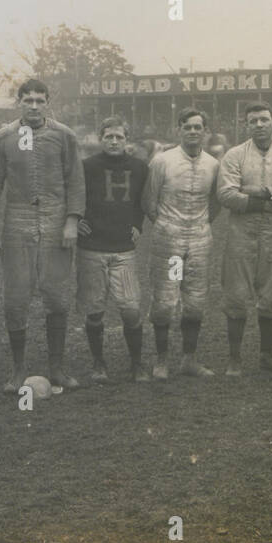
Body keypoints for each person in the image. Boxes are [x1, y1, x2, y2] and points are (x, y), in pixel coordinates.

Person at [0, 79, 86, 392]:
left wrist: (72, 221)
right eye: (28, 100)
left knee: (56, 297)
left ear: (48, 102)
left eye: (40, 100)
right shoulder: (3, 138)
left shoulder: (64, 135)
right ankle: (18, 370)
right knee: (15, 299)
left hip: (55, 222)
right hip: (17, 221)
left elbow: (76, 182)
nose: (34, 106)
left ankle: (56, 367)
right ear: (19, 102)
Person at [218, 102, 272, 374]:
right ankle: (234, 359)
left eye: (263, 120)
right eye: (253, 120)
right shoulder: (234, 155)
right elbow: (227, 195)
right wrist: (266, 203)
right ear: (246, 124)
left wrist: (259, 190)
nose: (259, 125)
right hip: (242, 233)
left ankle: (266, 356)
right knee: (237, 294)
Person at [143, 108, 222, 379]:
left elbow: (215, 202)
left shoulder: (213, 164)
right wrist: (169, 228)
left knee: (195, 302)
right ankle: (161, 360)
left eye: (197, 127)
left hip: (200, 239)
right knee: (165, 300)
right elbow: (149, 203)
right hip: (169, 240)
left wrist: (199, 225)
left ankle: (189, 359)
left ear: (205, 132)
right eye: (187, 127)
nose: (192, 132)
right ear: (178, 130)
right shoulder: (162, 162)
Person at [77, 116, 150, 382]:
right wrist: (77, 221)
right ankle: (98, 363)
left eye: (119, 136)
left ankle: (137, 362)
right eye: (109, 136)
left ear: (127, 139)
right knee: (94, 309)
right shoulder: (86, 167)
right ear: (101, 138)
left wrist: (138, 225)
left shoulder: (140, 167)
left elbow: (142, 201)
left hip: (123, 248)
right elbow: (74, 196)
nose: (114, 141)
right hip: (92, 248)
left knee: (130, 308)